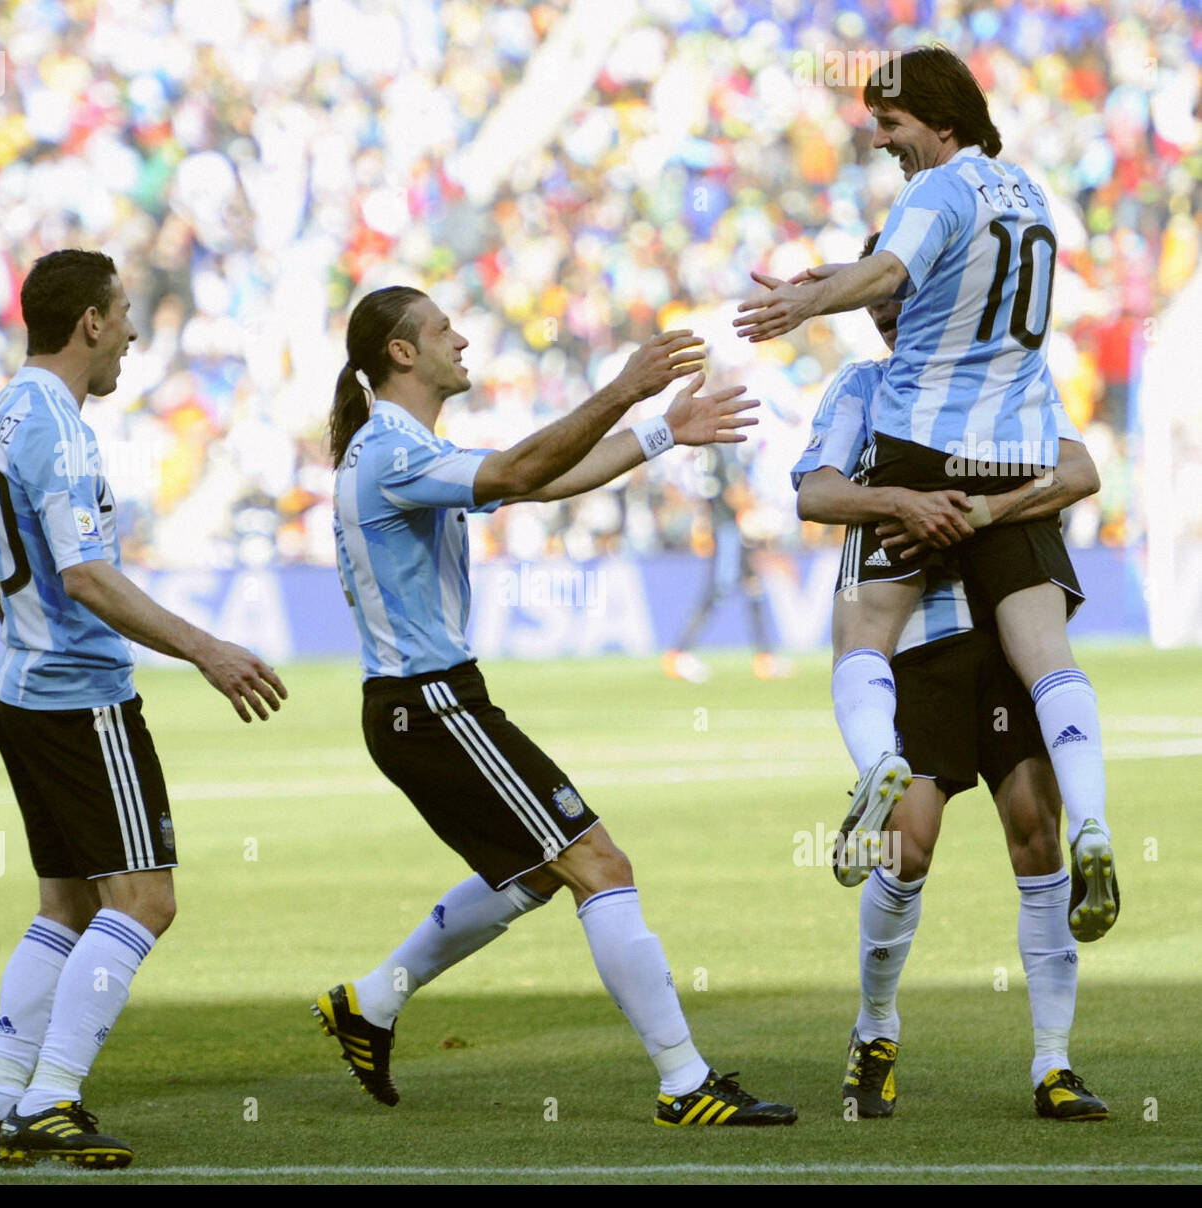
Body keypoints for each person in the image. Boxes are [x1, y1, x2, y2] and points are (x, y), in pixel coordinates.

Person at [312, 284, 795, 1127]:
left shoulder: (402, 446)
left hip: (418, 704)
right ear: (402, 353)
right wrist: (625, 389)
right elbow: (521, 470)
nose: (461, 340)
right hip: (431, 703)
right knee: (599, 864)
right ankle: (685, 1084)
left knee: (534, 870)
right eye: (442, 330)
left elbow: (535, 484)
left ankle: (372, 1002)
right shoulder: (390, 450)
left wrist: (661, 432)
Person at [735, 45, 1116, 947]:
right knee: (1050, 657)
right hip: (1013, 442)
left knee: (862, 631)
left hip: (925, 434)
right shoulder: (1027, 195)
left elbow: (891, 275)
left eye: (892, 125)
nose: (882, 143)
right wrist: (829, 279)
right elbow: (927, 284)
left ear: (942, 121)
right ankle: (1095, 818)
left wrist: (805, 303)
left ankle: (876, 767)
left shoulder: (935, 189)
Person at [0, 250, 287, 1169]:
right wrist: (207, 650)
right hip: (78, 699)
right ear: (90, 323)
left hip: (18, 688)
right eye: (126, 314)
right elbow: (89, 574)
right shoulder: (58, 429)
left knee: (66, 905)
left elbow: (1, 566)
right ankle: (53, 1095)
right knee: (143, 900)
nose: (135, 334)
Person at [792, 243, 1110, 1119]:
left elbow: (1080, 470)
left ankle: (1053, 1063)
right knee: (910, 844)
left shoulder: (1006, 374)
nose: (887, 314)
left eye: (898, 295)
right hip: (923, 643)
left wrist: (991, 509)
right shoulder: (862, 386)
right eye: (876, 303)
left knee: (1034, 834)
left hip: (1002, 639)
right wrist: (902, 504)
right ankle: (874, 1034)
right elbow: (816, 492)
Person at [661, 443, 794, 683]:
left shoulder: (707, 450)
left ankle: (765, 658)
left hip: (729, 528)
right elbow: (734, 494)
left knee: (754, 587)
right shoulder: (722, 451)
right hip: (728, 529)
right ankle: (679, 654)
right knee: (718, 590)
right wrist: (764, 513)